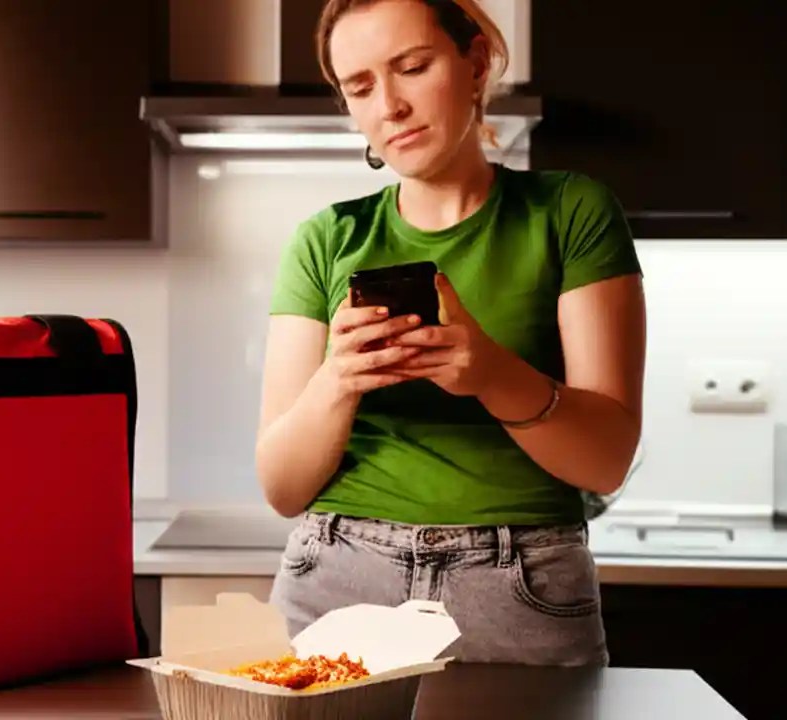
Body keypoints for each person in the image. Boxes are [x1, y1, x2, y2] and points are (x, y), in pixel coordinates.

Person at [256, 0, 646, 667]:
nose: (390, 105)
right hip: (337, 577)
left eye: (411, 67)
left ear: (475, 63)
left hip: (522, 582)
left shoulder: (571, 211)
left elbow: (606, 459)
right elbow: (282, 489)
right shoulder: (325, 240)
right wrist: (339, 381)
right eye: (360, 86)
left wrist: (490, 374)